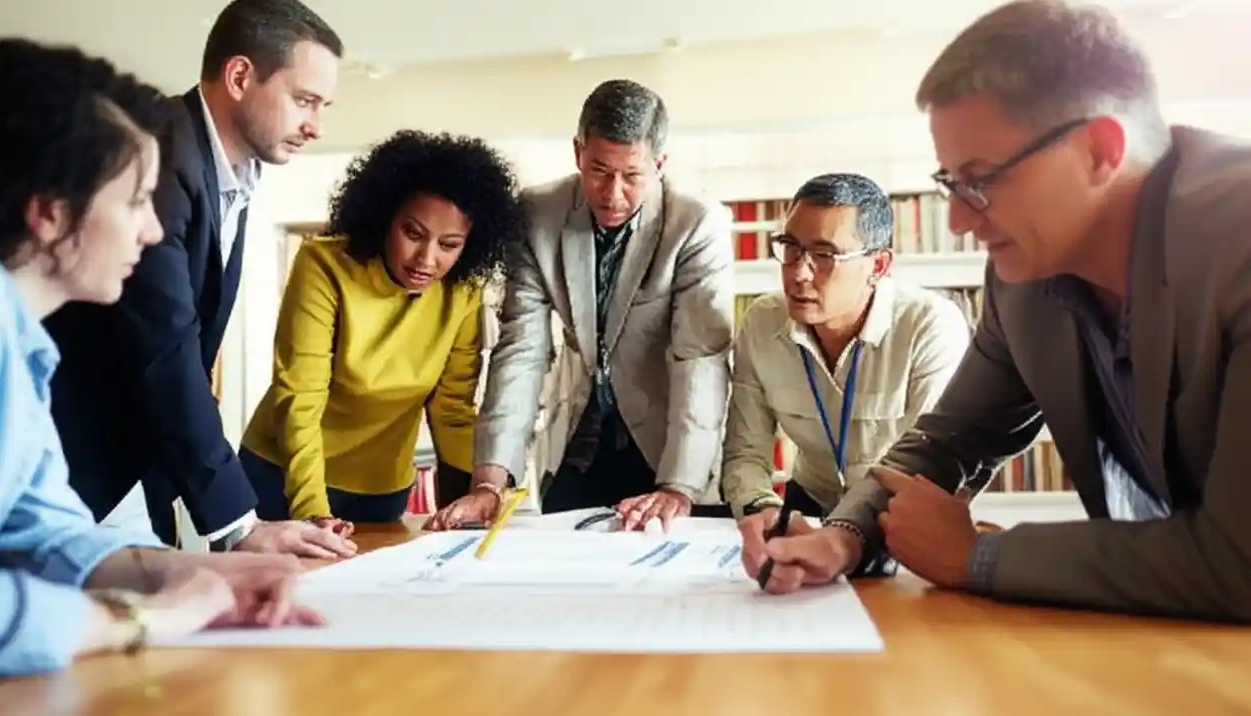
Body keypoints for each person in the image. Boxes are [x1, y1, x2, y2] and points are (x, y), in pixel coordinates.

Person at [743, 0, 1251, 624]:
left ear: (1099, 151)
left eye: (981, 179)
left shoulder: (1239, 237)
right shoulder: (1022, 280)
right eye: (952, 184)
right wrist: (843, 536)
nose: (958, 220)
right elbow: (951, 437)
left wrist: (980, 557)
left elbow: (1240, 560)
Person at [0, 38, 323, 684]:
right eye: (136, 201)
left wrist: (191, 572)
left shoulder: (17, 341)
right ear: (50, 213)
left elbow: (46, 529)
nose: (154, 231)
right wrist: (139, 620)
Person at [43, 0, 356, 558]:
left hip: (135, 467)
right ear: (240, 76)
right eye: (304, 100)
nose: (316, 126)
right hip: (73, 460)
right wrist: (242, 525)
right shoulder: (160, 153)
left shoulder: (234, 171)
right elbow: (165, 346)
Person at [425, 79, 734, 532]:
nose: (612, 194)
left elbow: (700, 359)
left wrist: (678, 488)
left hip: (671, 446)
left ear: (660, 165)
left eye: (632, 176)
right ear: (577, 152)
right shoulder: (537, 213)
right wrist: (490, 482)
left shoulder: (695, 224)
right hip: (580, 443)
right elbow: (522, 350)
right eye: (598, 170)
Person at [238, 130, 528, 532]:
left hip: (378, 489)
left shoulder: (463, 292)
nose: (427, 259)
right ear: (384, 217)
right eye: (413, 233)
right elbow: (300, 398)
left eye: (449, 244)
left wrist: (472, 497)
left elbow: (453, 411)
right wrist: (312, 511)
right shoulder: (323, 266)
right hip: (282, 477)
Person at [725, 174, 970, 575]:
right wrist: (762, 512)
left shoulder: (930, 326)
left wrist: (849, 537)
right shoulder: (762, 322)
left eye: (824, 255)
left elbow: (930, 470)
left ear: (877, 265)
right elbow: (745, 451)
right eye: (790, 248)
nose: (799, 273)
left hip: (893, 511)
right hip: (807, 501)